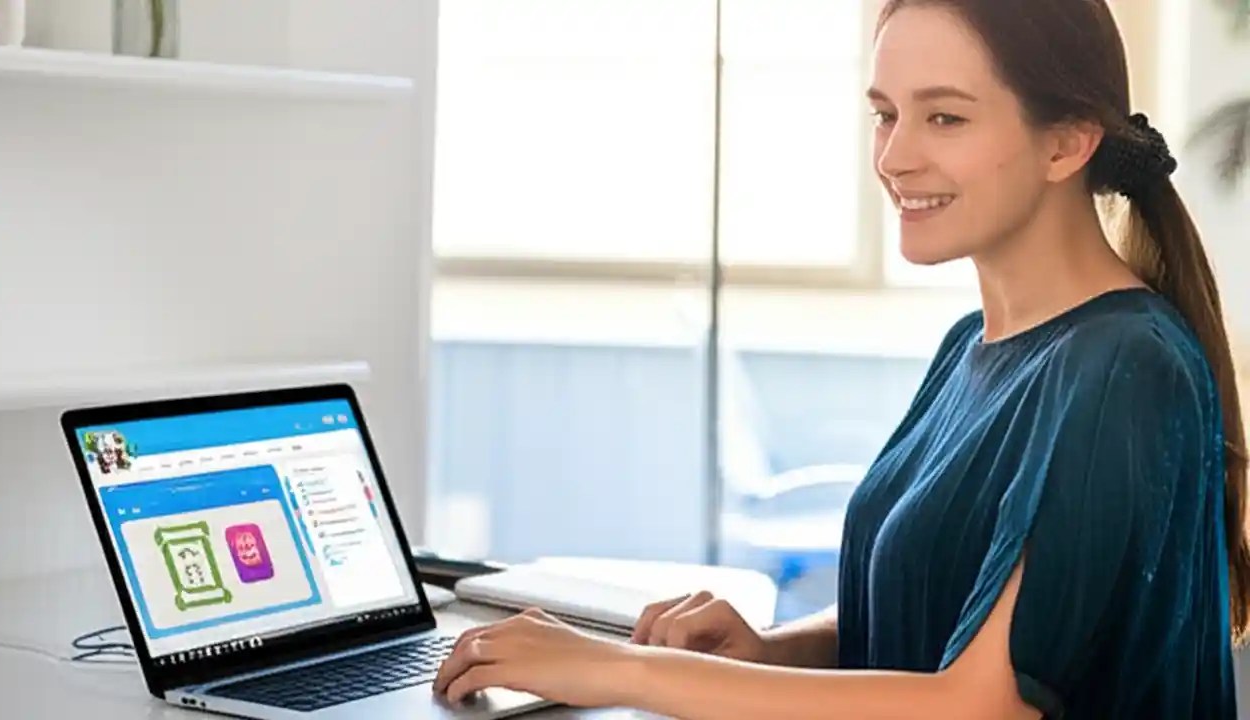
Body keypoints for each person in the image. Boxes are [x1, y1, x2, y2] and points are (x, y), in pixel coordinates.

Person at [432, 0, 1249, 716]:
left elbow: (980, 707)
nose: (894, 158)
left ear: (1066, 143)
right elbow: (936, 624)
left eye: (945, 118)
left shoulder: (1124, 367)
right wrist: (772, 649)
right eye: (885, 114)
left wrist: (624, 671)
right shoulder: (973, 346)